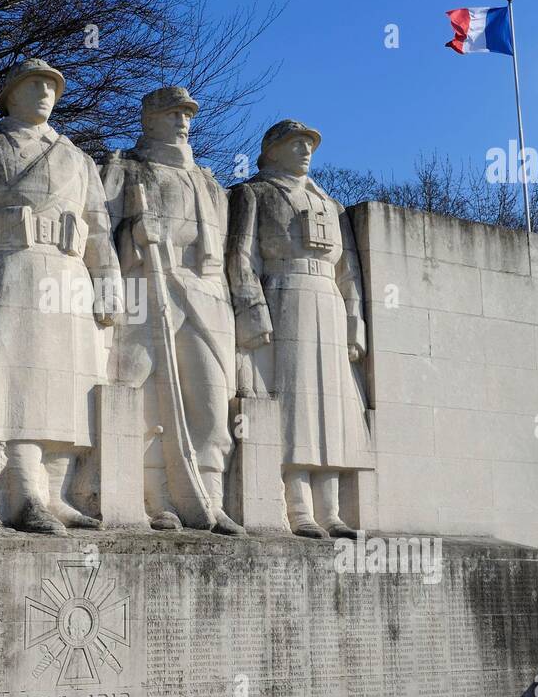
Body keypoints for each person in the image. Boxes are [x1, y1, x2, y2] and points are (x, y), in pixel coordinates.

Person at [0, 59, 123, 536]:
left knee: (70, 386)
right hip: (13, 263)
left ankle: (57, 491)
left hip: (69, 273)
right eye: (34, 84)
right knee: (19, 381)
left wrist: (107, 284)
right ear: (10, 93)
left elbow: (98, 228)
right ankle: (25, 491)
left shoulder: (78, 157)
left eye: (52, 86)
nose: (45, 92)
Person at [103, 86, 242, 535]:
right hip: (147, 286)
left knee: (210, 404)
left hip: (205, 295)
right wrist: (133, 237)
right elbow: (96, 240)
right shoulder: (125, 169)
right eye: (173, 113)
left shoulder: (210, 183)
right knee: (143, 396)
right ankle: (156, 499)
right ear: (150, 119)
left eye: (187, 114)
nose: (183, 121)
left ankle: (209, 501)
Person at [226, 120, 369, 538]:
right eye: (295, 142)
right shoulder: (253, 193)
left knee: (333, 411)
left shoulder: (331, 204)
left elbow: (349, 273)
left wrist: (354, 324)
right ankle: (298, 508)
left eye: (310, 143)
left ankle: (332, 511)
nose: (305, 149)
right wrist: (252, 312)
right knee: (294, 409)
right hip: (284, 296)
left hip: (328, 302)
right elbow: (241, 256)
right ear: (272, 149)